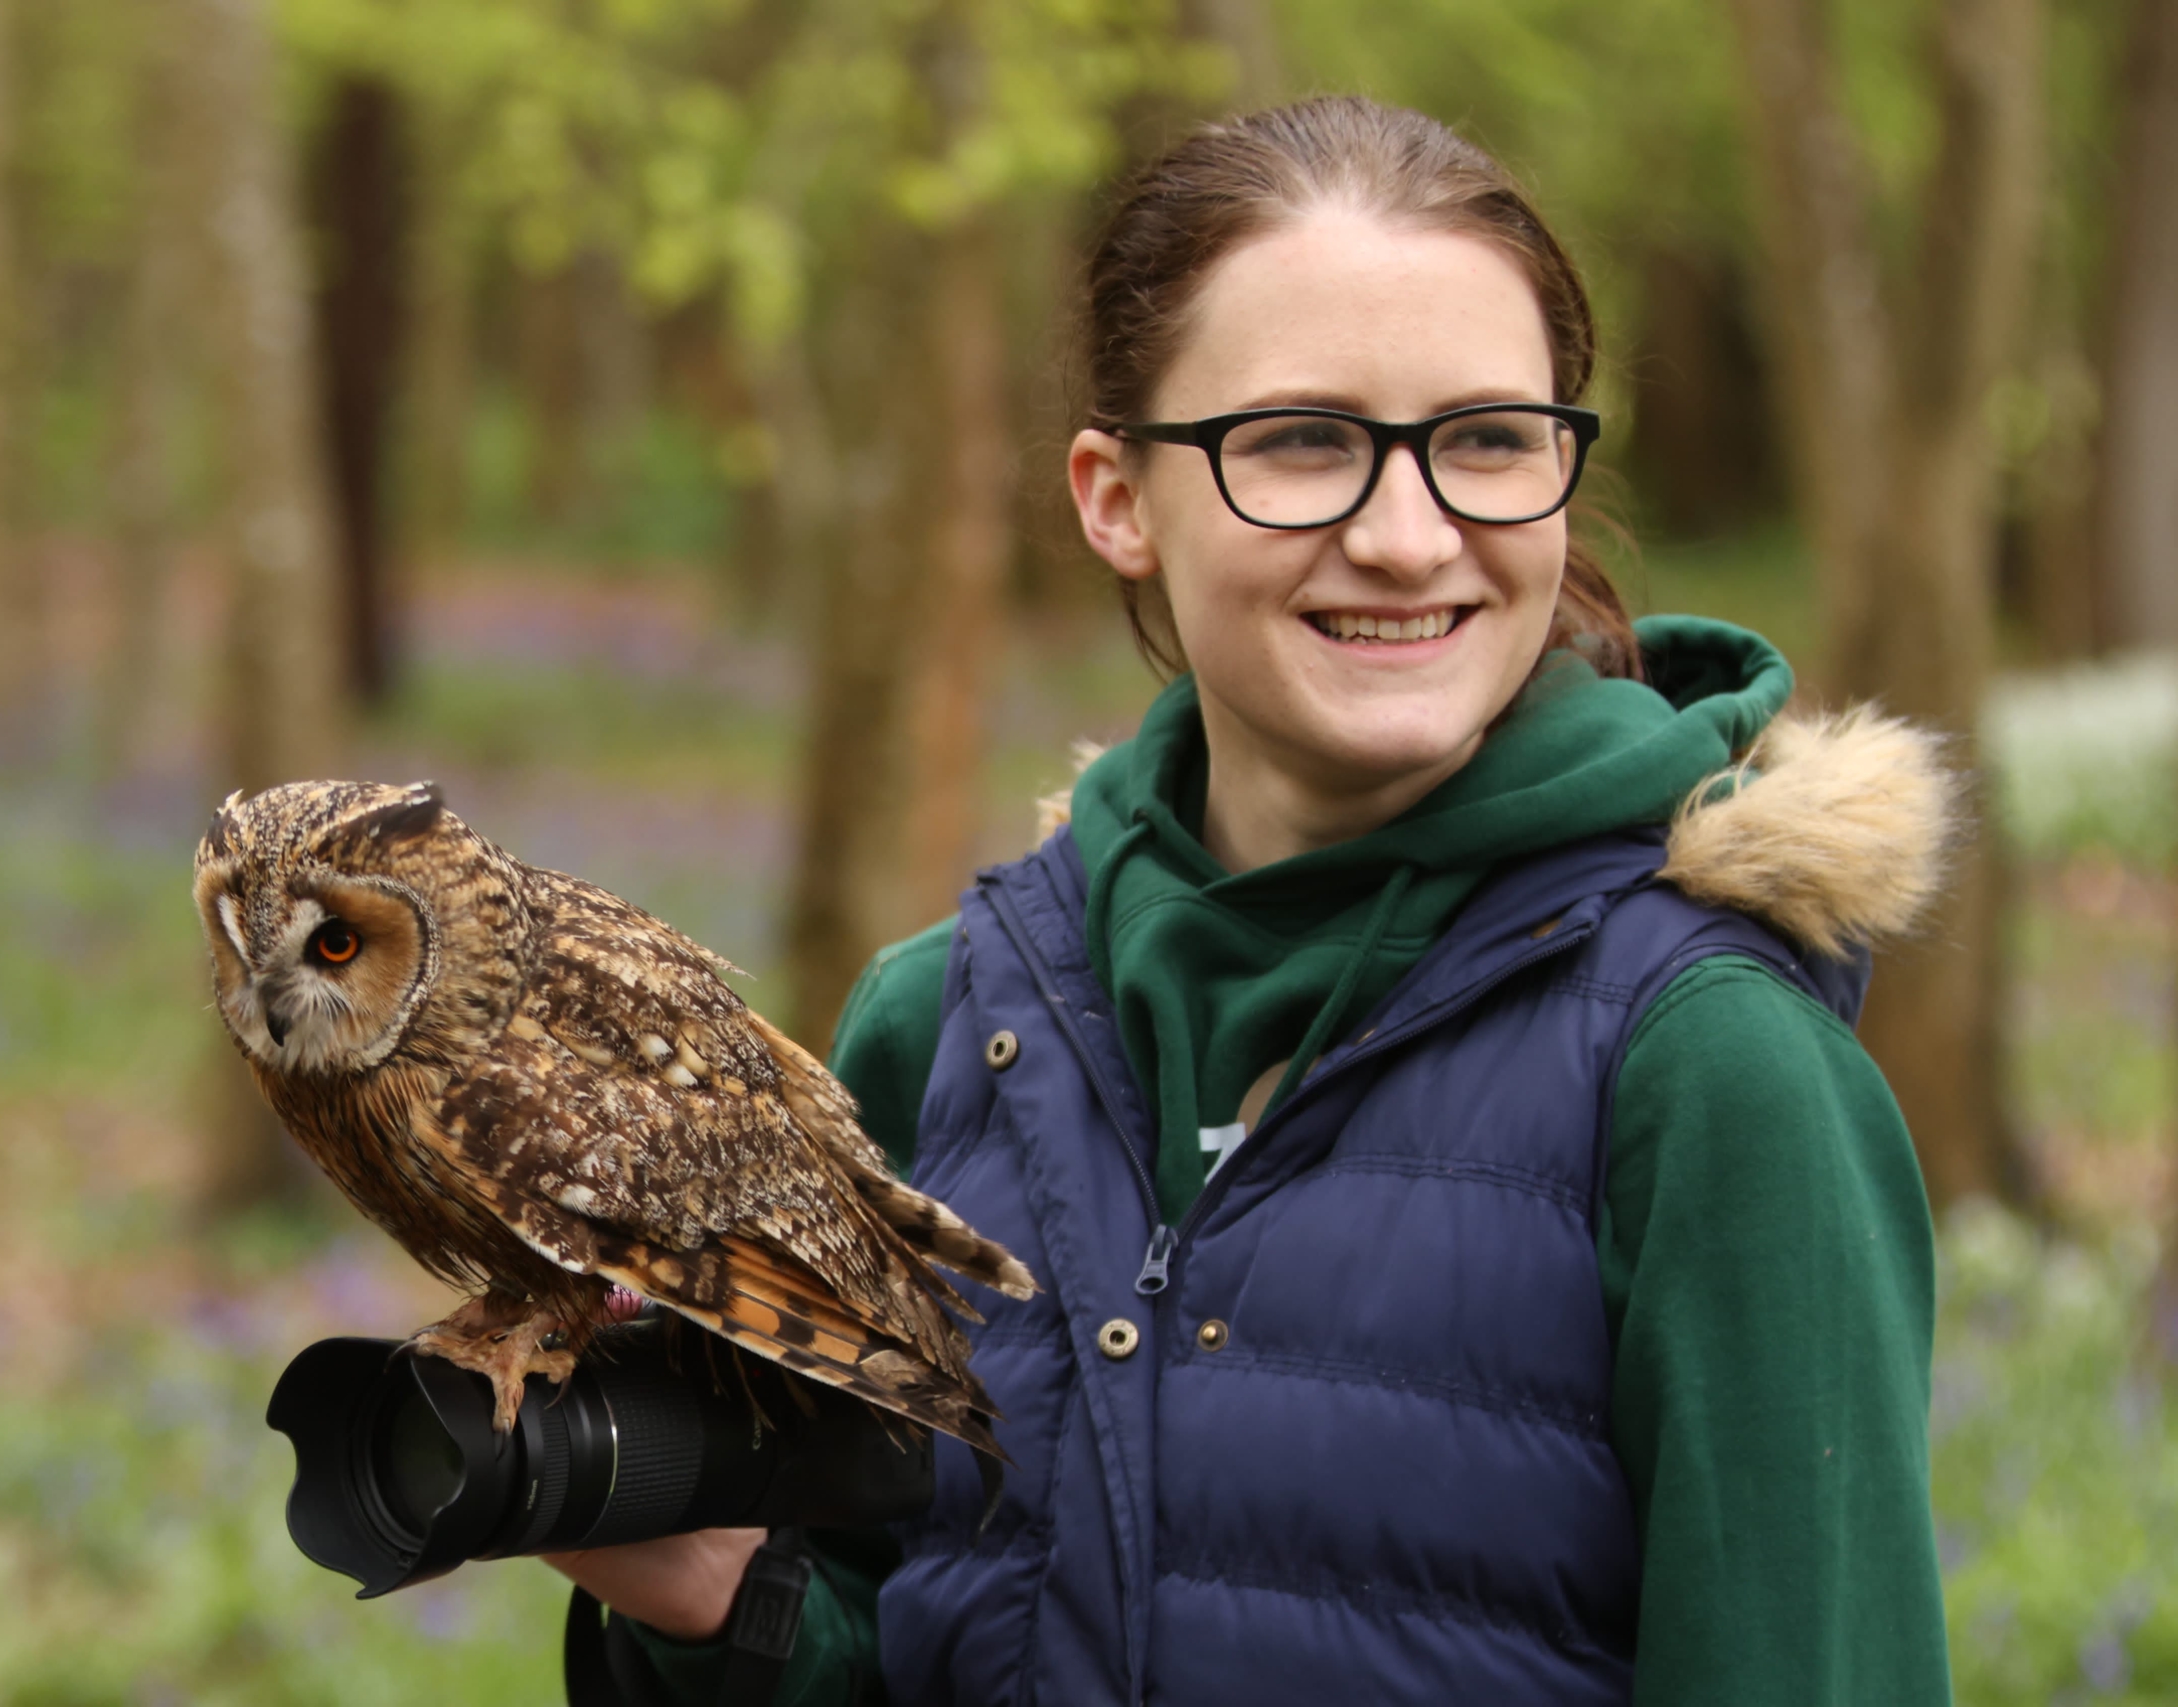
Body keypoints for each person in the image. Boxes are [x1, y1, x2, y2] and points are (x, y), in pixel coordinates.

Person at [550, 94, 1957, 1705]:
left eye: (1487, 441)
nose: (1411, 535)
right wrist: (718, 1602)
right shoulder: (942, 1025)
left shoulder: (1710, 1067)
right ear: (1115, 497)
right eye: (1305, 443)